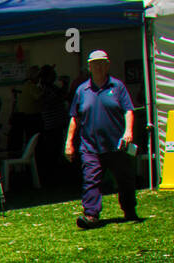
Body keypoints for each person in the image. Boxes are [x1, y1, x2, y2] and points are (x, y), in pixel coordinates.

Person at [66, 49, 139, 229]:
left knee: (124, 180)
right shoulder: (82, 90)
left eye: (101, 63)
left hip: (116, 146)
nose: (98, 67)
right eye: (94, 64)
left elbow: (128, 110)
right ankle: (91, 215)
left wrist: (128, 131)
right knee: (91, 180)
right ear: (89, 67)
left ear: (107, 65)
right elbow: (74, 117)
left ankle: (129, 210)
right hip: (90, 146)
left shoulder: (117, 87)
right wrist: (69, 143)